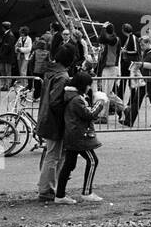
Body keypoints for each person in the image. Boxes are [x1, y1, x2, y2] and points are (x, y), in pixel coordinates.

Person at [54, 74, 106, 204]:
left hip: (71, 134)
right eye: (88, 85)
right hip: (79, 136)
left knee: (69, 165)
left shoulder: (70, 96)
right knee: (93, 161)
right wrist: (100, 102)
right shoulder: (77, 99)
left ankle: (60, 195)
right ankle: (87, 192)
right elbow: (89, 114)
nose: (89, 87)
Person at [36, 43, 72, 202]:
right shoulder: (62, 77)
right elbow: (56, 101)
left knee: (51, 154)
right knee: (54, 156)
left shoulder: (49, 72)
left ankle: (47, 186)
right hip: (55, 120)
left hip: (45, 117)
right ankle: (47, 189)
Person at [126, 33, 151, 127]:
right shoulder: (145, 53)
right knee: (136, 100)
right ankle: (129, 121)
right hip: (143, 80)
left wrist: (142, 64)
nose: (141, 47)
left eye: (142, 45)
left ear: (148, 43)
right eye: (141, 45)